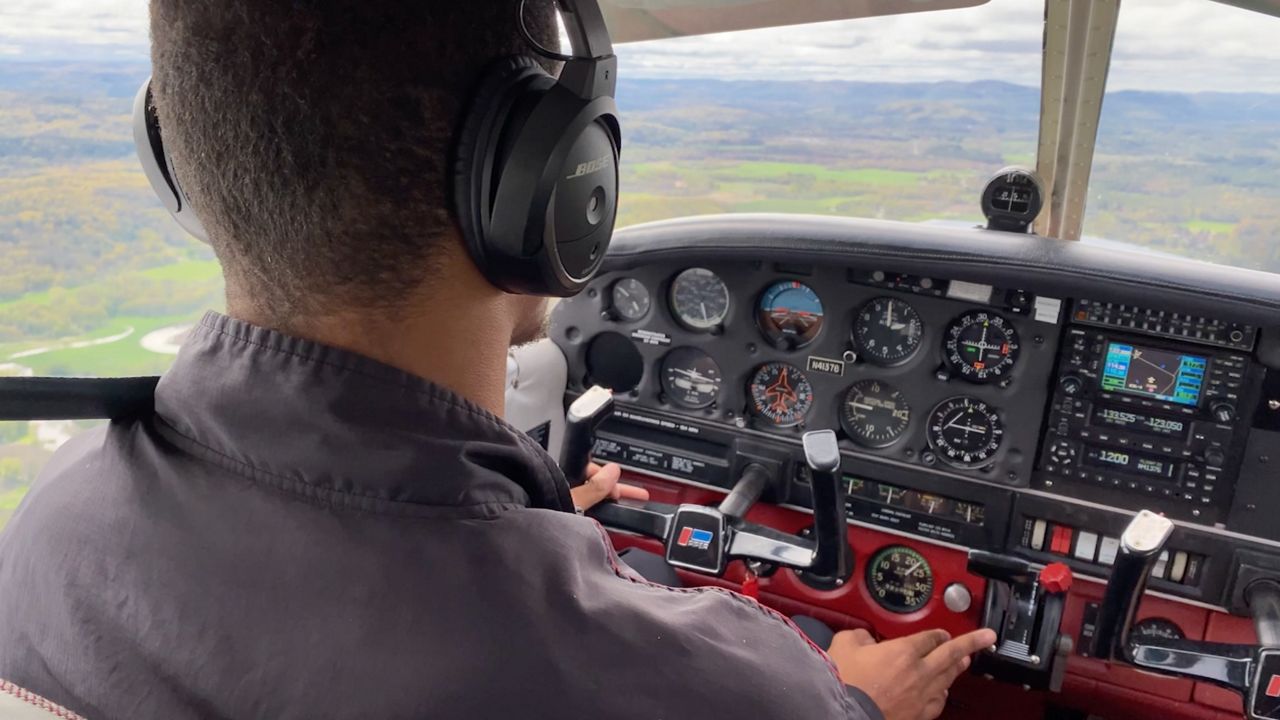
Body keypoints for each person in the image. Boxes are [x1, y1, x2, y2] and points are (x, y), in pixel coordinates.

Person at [0, 2, 995, 719]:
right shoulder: (710, 689)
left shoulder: (54, 522)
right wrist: (857, 704)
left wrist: (524, 520)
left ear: (181, 166)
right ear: (558, 195)